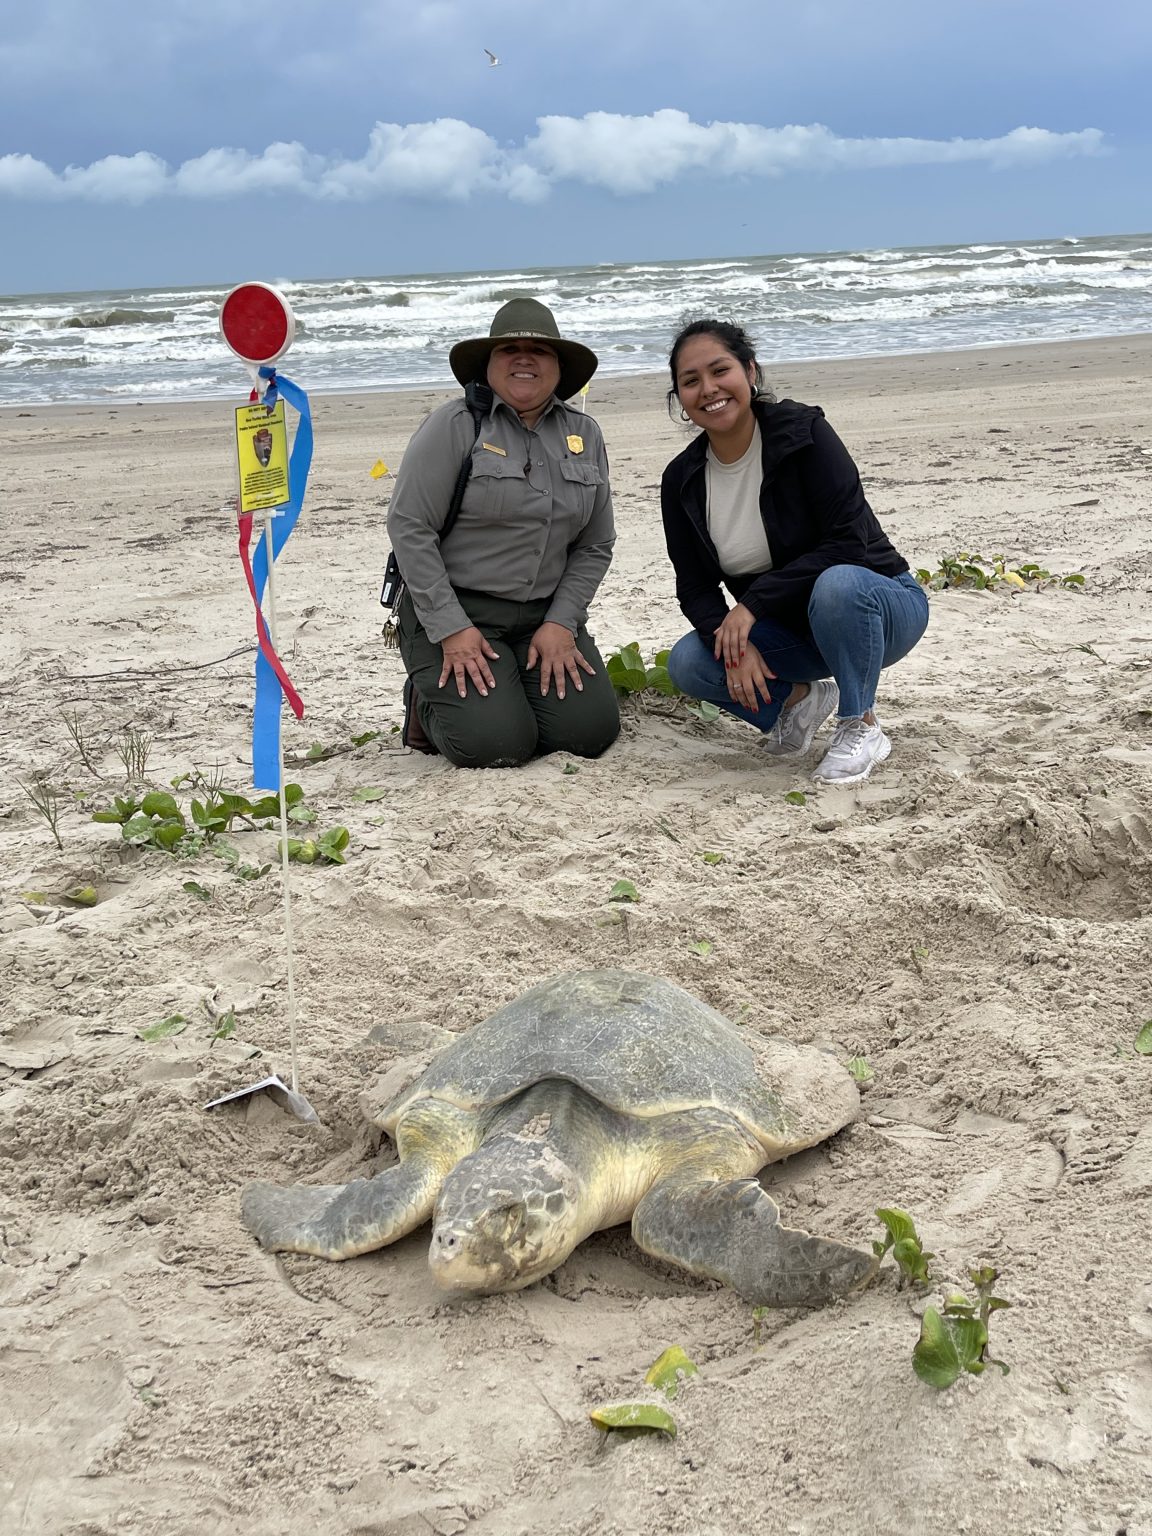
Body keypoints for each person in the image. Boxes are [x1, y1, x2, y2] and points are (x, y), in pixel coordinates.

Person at [660, 320, 928, 785]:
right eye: (690, 381)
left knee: (838, 583)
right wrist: (733, 646)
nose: (708, 389)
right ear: (681, 399)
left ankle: (860, 724)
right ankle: (798, 701)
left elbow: (848, 543)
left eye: (720, 370)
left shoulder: (804, 433)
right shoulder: (681, 478)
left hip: (878, 607)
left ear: (750, 372)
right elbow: (695, 586)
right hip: (793, 634)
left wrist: (751, 606)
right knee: (690, 662)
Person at [386, 298, 621, 768]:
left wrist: (561, 622)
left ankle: (510, 689)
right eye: (508, 348)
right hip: (458, 612)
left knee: (588, 733)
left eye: (539, 349)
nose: (524, 357)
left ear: (559, 367)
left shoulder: (585, 434)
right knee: (496, 747)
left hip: (544, 618)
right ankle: (423, 700)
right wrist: (452, 630)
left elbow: (596, 544)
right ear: (489, 365)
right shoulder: (455, 426)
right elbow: (409, 528)